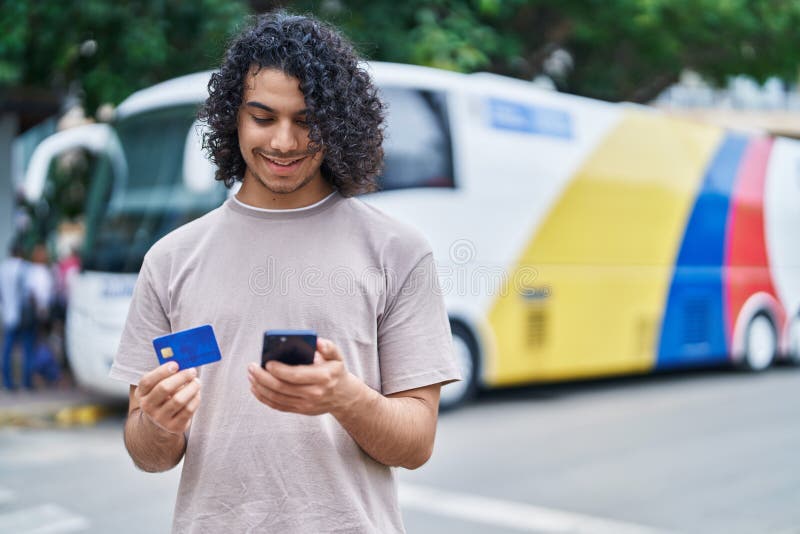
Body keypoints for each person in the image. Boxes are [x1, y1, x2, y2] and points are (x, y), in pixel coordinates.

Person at [110, 12, 460, 533]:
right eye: (263, 117)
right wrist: (158, 423)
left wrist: (344, 396)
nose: (283, 142)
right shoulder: (170, 259)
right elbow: (148, 454)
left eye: (306, 120)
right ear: (233, 117)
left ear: (336, 123)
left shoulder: (398, 251)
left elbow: (415, 445)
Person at [0, 243, 36, 390]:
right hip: (24, 314)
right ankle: (26, 382)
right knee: (27, 348)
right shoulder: (25, 267)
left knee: (7, 349)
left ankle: (8, 382)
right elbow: (29, 293)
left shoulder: (2, 268)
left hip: (9, 314)